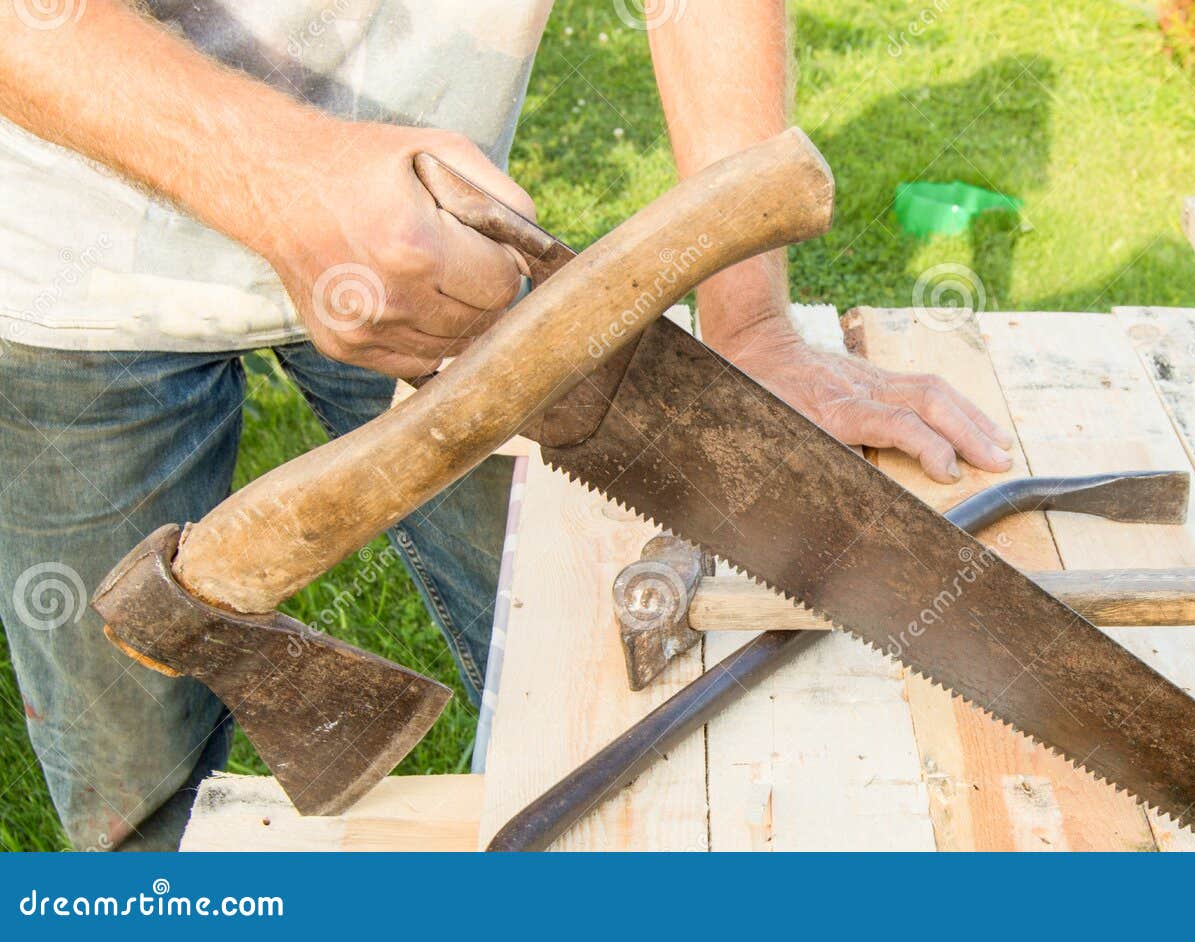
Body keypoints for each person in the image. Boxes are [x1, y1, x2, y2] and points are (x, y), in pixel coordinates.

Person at [0, 0, 1014, 850]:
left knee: (596, 698)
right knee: (134, 793)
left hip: (430, 249)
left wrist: (751, 327)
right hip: (73, 263)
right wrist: (286, 177)